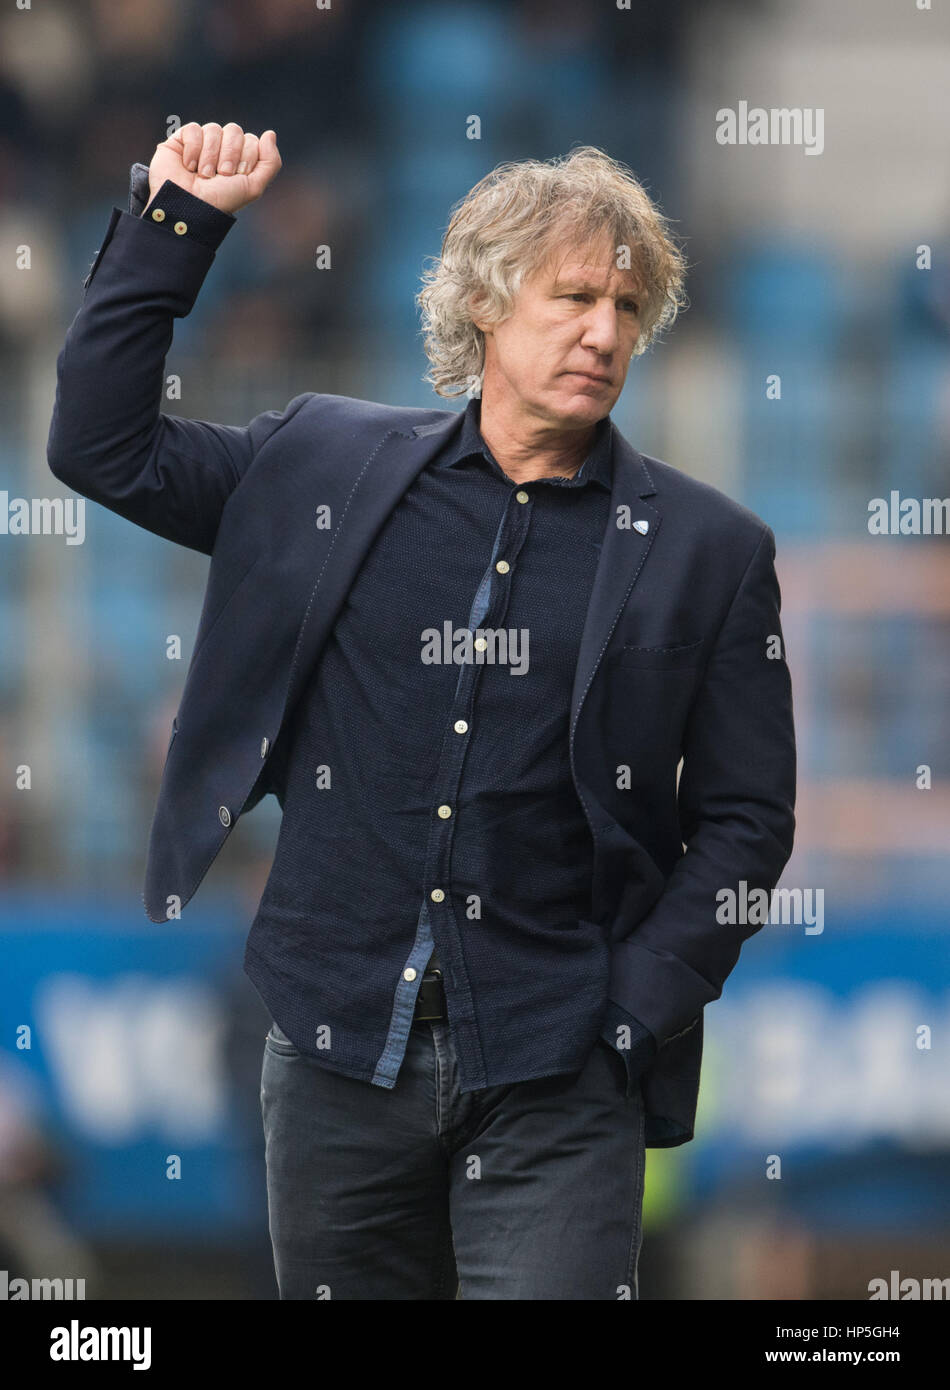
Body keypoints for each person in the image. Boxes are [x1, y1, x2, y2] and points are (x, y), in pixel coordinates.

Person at [47, 122, 796, 1300]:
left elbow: (747, 823)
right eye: (572, 297)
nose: (603, 332)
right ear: (488, 303)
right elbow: (99, 447)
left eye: (625, 308)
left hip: (559, 1071)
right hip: (333, 1048)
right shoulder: (321, 465)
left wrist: (633, 1009)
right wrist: (177, 224)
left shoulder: (710, 550)